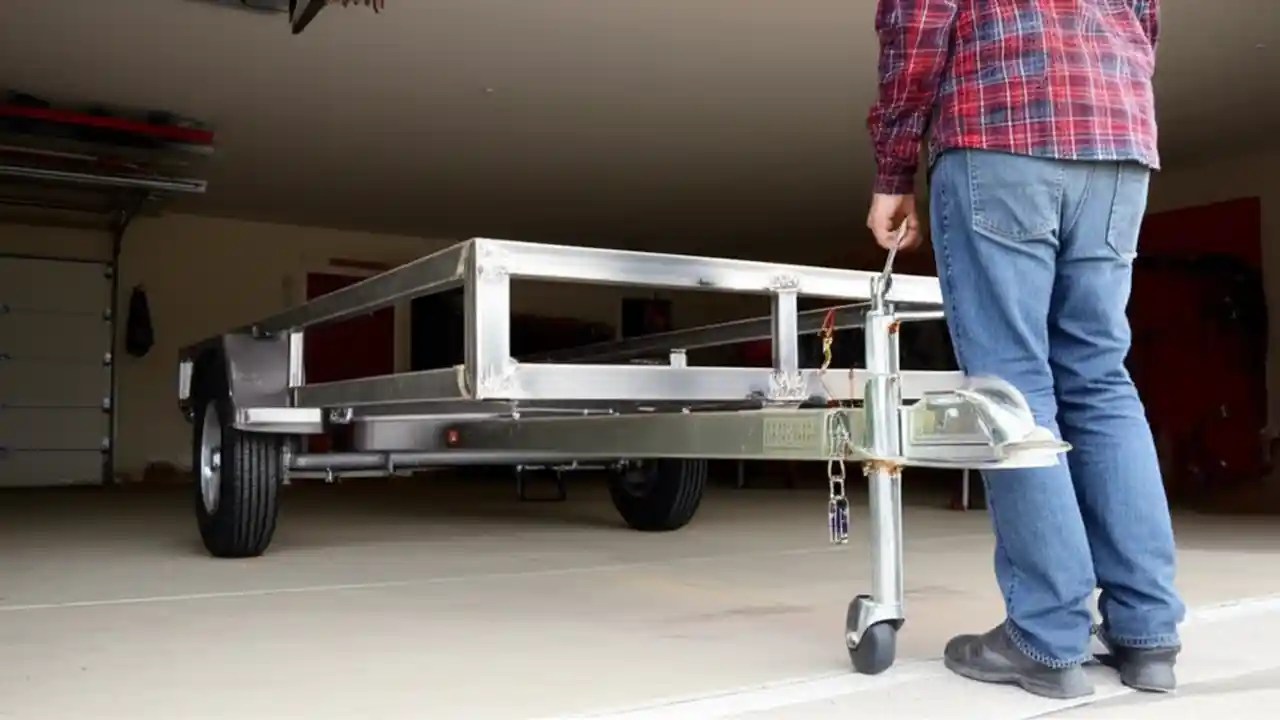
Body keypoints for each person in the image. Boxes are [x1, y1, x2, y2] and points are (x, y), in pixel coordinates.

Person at [865, 0, 1186, 699]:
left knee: (1011, 386)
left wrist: (893, 172)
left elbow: (918, 27)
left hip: (1001, 127)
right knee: (1100, 377)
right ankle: (1146, 633)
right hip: (1115, 135)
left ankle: (1046, 636)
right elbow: (1146, 17)